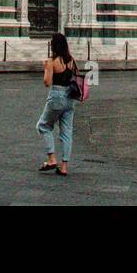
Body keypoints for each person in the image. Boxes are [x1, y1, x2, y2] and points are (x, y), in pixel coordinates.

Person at [36, 31, 78, 176]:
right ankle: (64, 166)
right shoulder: (71, 60)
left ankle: (52, 158)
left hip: (57, 96)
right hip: (70, 98)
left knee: (44, 125)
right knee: (67, 133)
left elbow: (47, 82)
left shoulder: (51, 61)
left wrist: (46, 68)